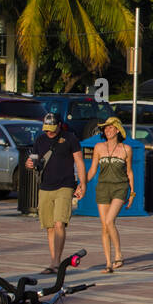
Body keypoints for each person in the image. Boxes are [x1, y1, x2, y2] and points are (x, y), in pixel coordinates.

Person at [27, 112, 86, 273]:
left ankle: (56, 262)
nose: (49, 133)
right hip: (45, 186)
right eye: (47, 129)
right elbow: (34, 158)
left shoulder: (70, 138)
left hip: (65, 185)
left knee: (59, 223)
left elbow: (79, 162)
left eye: (52, 129)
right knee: (50, 226)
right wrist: (30, 163)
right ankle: (53, 261)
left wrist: (83, 183)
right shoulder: (40, 140)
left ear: (59, 125)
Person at [87, 116, 134, 273]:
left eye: (111, 128)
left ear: (118, 130)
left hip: (120, 187)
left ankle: (119, 254)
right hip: (103, 187)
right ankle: (108, 262)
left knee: (109, 220)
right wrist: (82, 183)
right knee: (104, 226)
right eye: (105, 128)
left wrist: (132, 193)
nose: (107, 130)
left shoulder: (126, 149)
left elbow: (129, 172)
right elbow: (93, 169)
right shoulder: (99, 147)